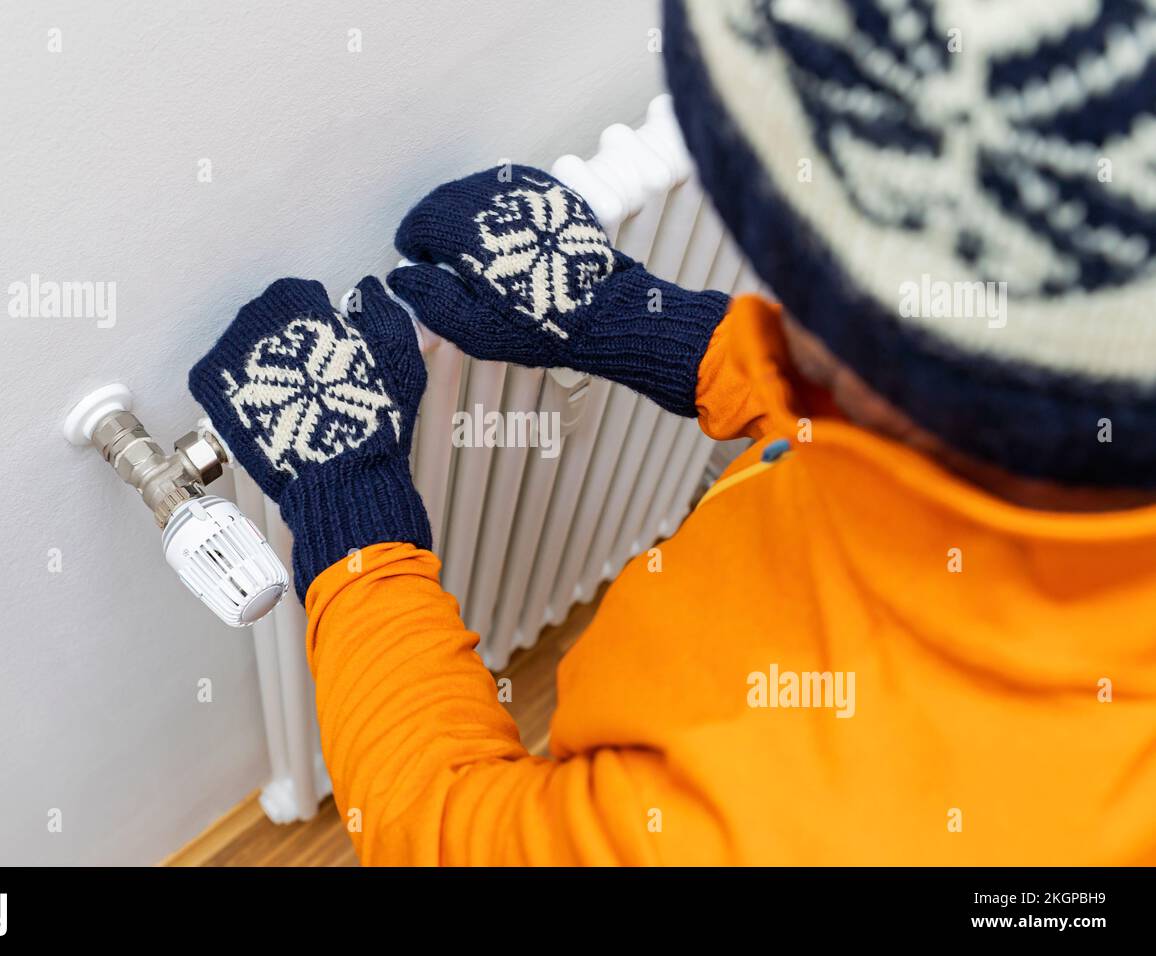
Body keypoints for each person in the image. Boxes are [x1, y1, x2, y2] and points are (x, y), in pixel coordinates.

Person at [189, 0, 1156, 864]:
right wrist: (638, 323)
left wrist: (348, 508)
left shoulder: (770, 822)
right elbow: (964, 439)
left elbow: (441, 834)